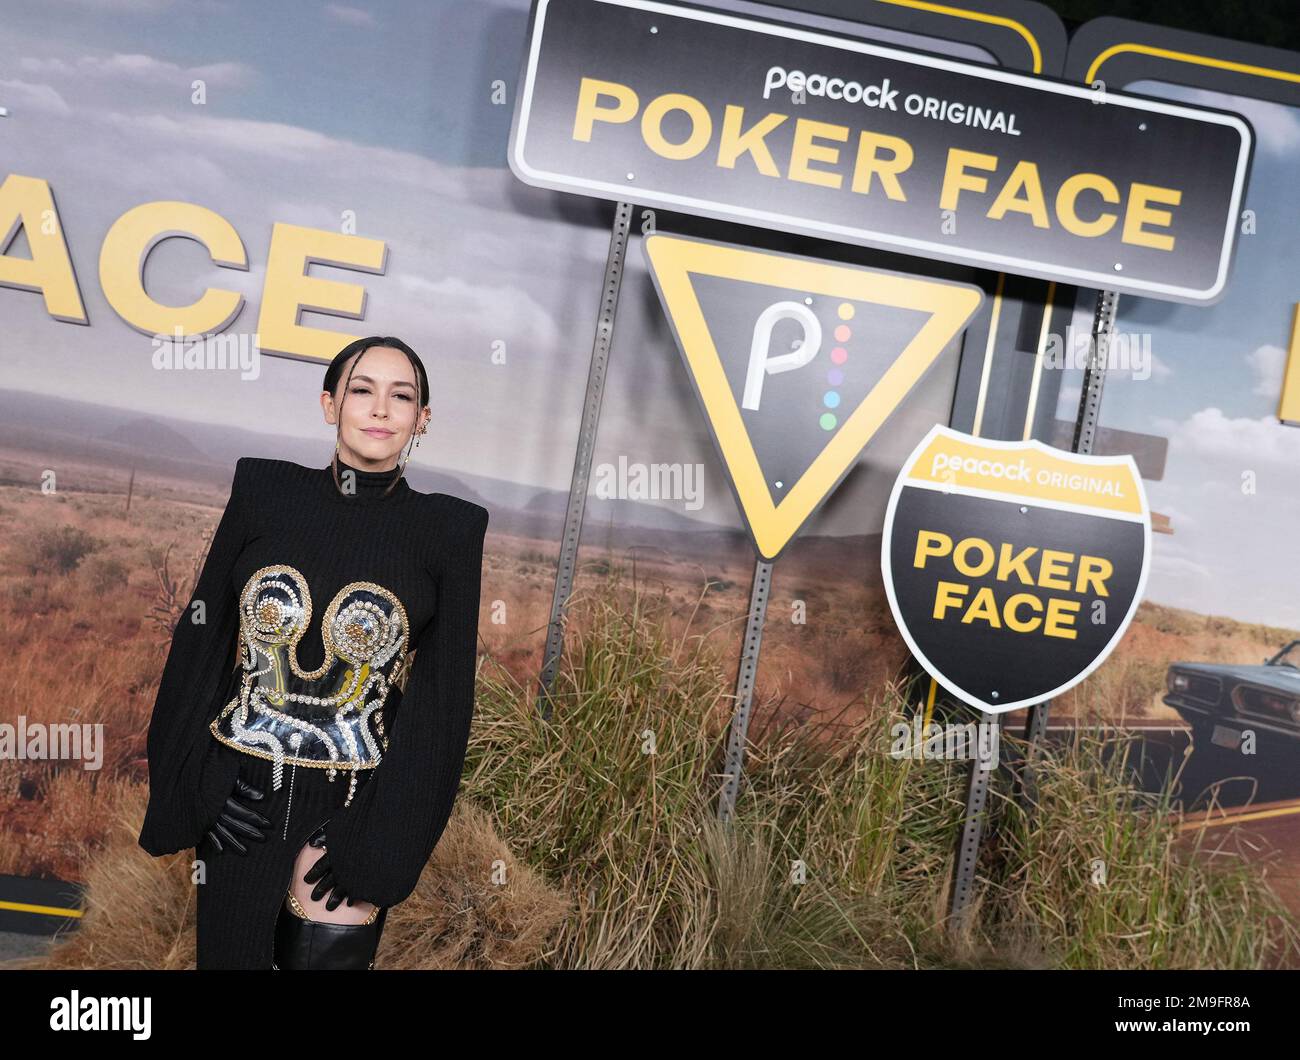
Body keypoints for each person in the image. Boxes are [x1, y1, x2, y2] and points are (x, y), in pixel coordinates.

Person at [137, 336, 489, 970]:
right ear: (330, 405)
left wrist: (386, 840)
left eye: (401, 395)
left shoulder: (450, 529)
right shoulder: (264, 490)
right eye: (361, 390)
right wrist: (200, 789)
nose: (380, 408)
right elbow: (201, 645)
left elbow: (442, 707)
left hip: (355, 807)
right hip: (241, 793)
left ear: (422, 420)